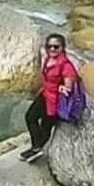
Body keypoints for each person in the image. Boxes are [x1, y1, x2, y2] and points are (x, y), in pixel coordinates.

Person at [20, 33, 76, 163]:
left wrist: (60, 88)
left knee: (46, 125)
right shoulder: (49, 59)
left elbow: (68, 88)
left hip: (55, 101)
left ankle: (37, 148)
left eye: (56, 47)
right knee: (30, 117)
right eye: (49, 46)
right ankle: (37, 146)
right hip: (45, 94)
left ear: (62, 48)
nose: (52, 49)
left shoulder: (66, 66)